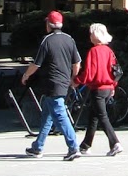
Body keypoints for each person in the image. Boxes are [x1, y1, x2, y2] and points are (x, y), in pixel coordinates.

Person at [21, 10, 82, 160]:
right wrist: (73, 78)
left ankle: (74, 147)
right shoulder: (69, 39)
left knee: (60, 115)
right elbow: (77, 63)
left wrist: (26, 75)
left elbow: (37, 64)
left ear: (49, 24)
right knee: (47, 115)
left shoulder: (46, 40)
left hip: (52, 83)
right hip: (63, 83)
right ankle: (38, 147)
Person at [76, 22, 123, 156]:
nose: (90, 36)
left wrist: (77, 81)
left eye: (91, 33)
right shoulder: (109, 51)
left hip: (98, 88)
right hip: (108, 87)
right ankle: (85, 145)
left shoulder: (93, 51)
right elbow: (114, 70)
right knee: (94, 116)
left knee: (102, 116)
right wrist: (113, 86)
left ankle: (115, 143)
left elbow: (90, 72)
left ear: (96, 35)